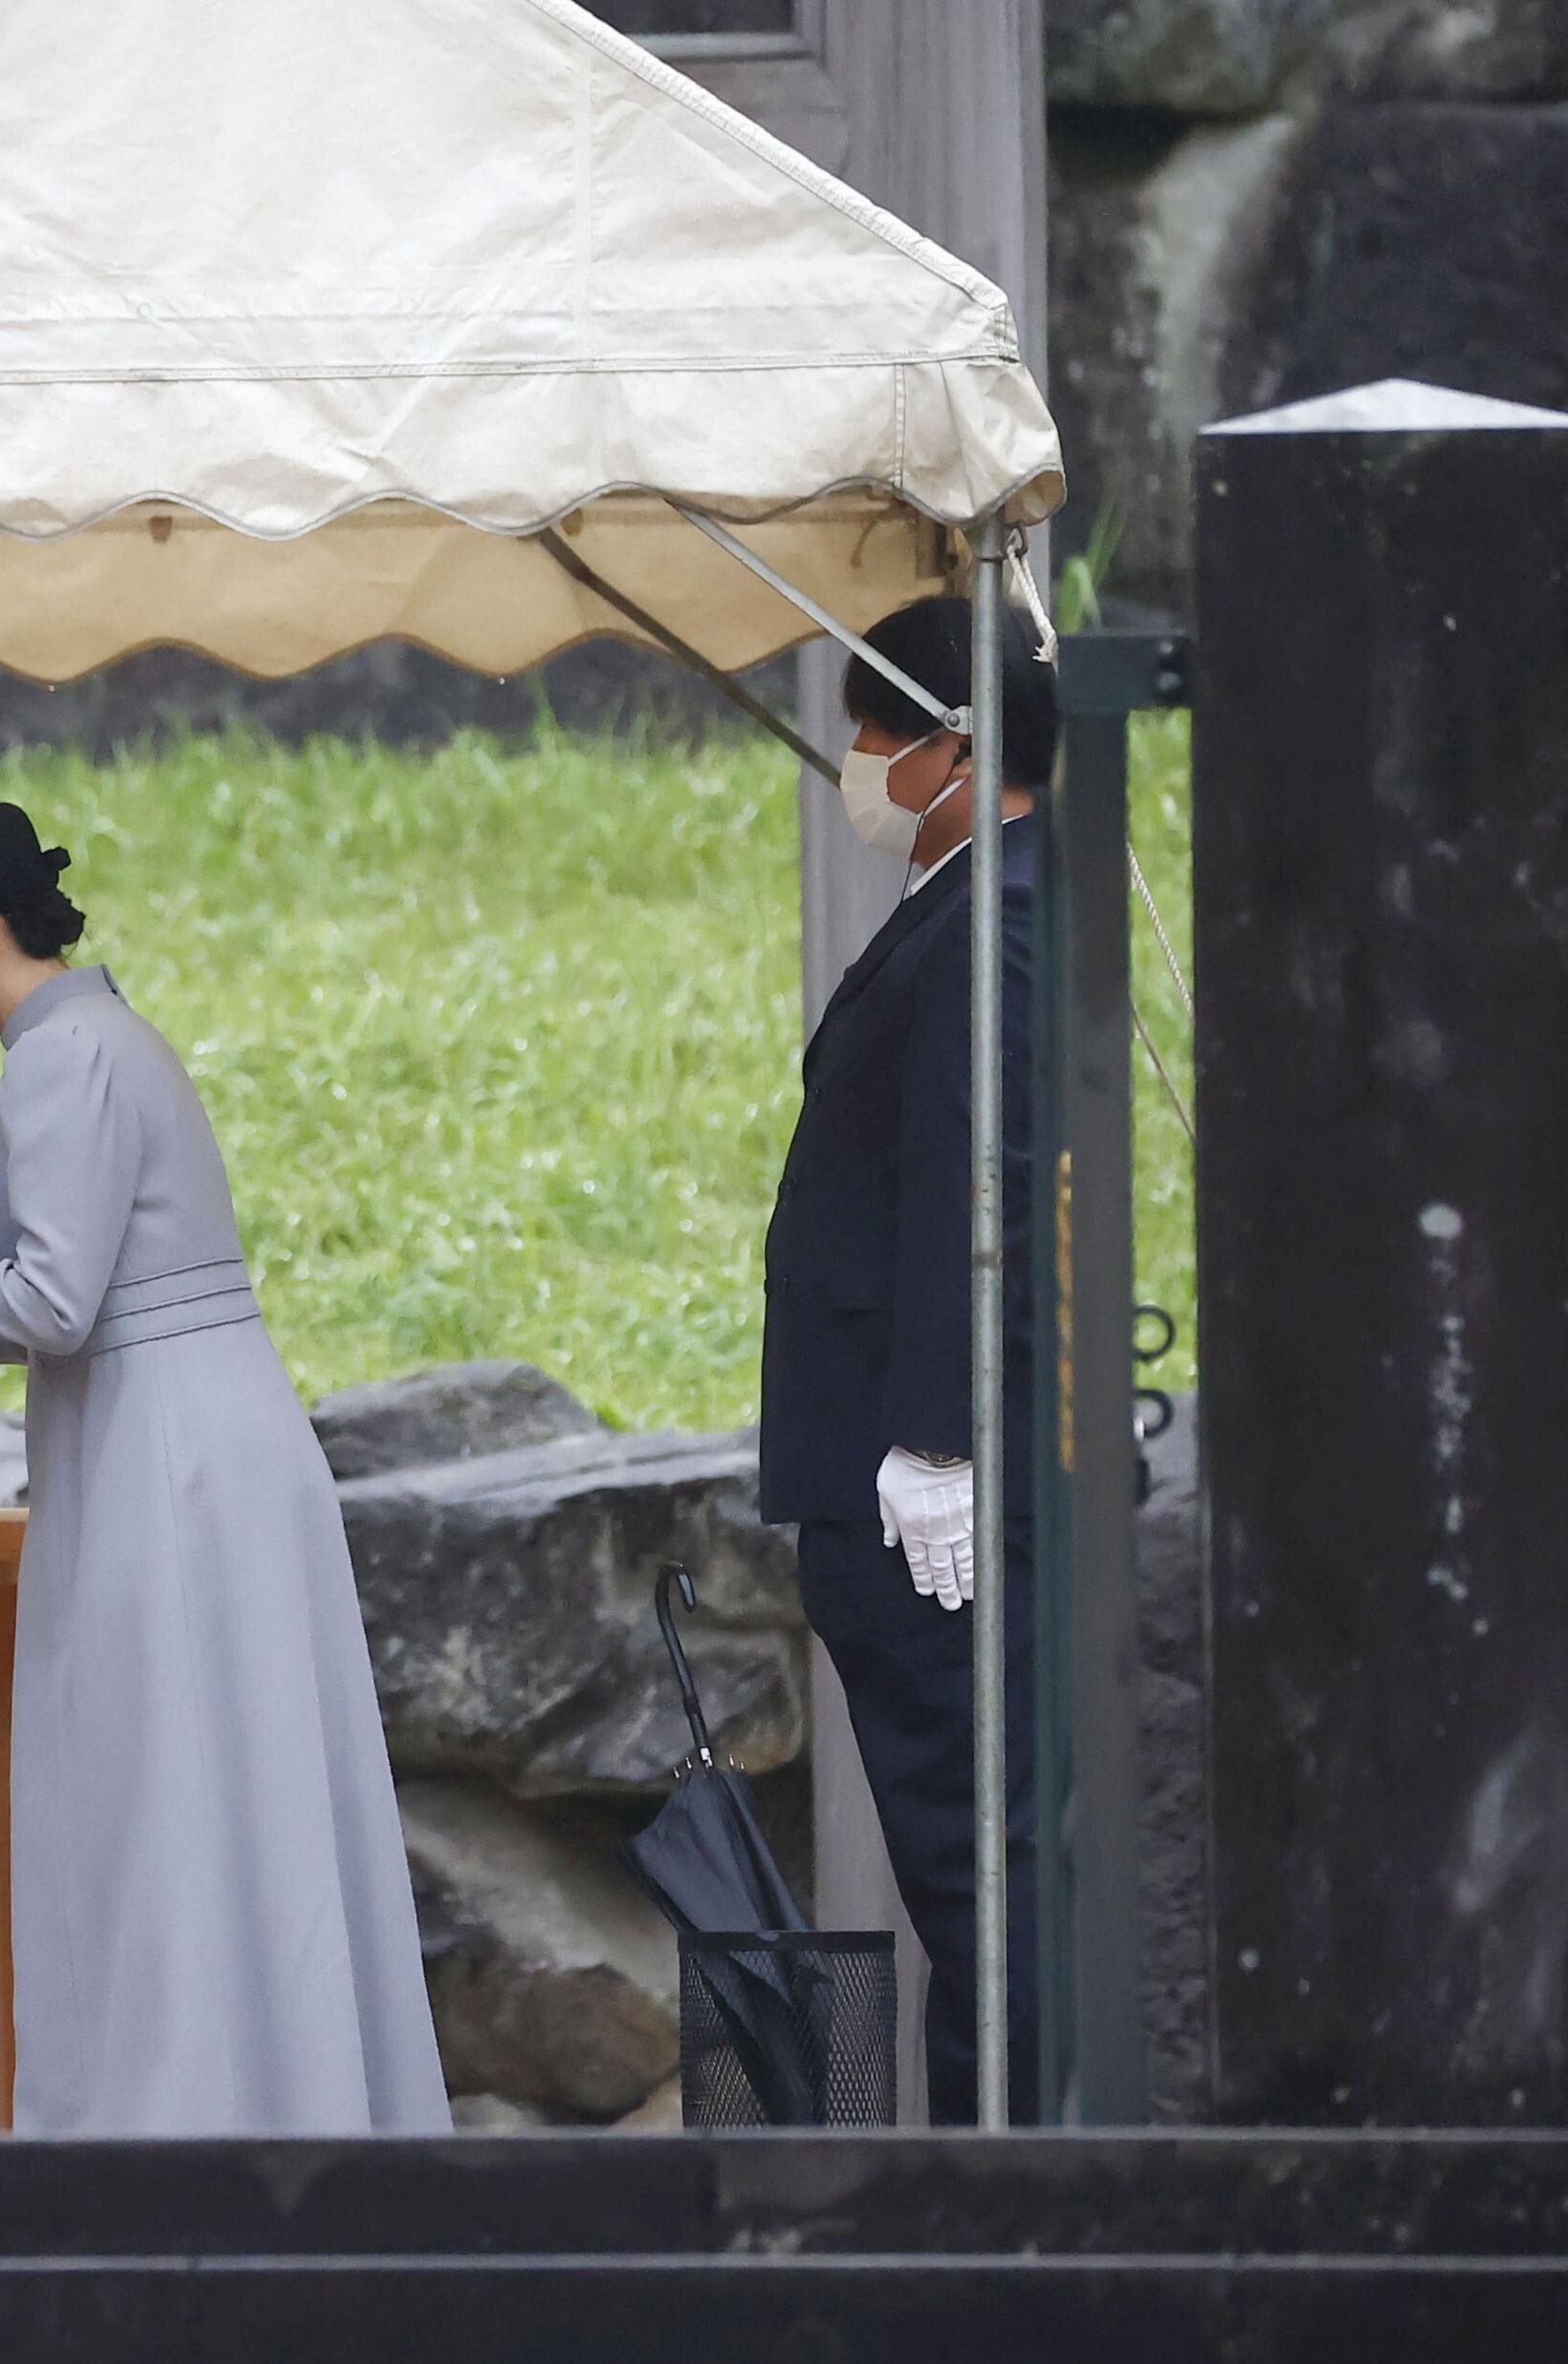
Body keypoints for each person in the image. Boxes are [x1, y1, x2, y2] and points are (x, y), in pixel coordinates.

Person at [0, 799, 450, 2136]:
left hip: (171, 1454)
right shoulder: (90, 1039)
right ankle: (262, 2101)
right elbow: (83, 1296)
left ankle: (183, 2124)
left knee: (167, 1794)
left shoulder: (63, 1057)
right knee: (205, 1788)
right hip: (173, 1426)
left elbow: (59, 1303)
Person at [758, 595, 1055, 2125]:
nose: (859, 761)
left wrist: (936, 1437)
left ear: (956, 742)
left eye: (879, 732)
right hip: (890, 1473)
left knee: (978, 1875)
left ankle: (1002, 2203)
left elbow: (973, 1186)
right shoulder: (967, 901)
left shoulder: (992, 914)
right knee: (973, 1876)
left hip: (920, 1493)